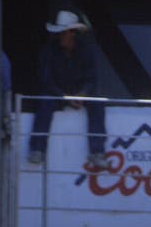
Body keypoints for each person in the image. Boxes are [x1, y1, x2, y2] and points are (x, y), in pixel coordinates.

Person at [28, 11, 108, 169]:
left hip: (79, 93)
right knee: (44, 102)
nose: (61, 36)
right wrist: (64, 96)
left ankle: (98, 151)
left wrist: (83, 94)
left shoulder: (87, 50)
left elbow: (91, 78)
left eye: (64, 32)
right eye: (60, 33)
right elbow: (46, 80)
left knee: (97, 103)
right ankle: (37, 149)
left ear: (73, 33)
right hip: (56, 93)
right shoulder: (48, 50)